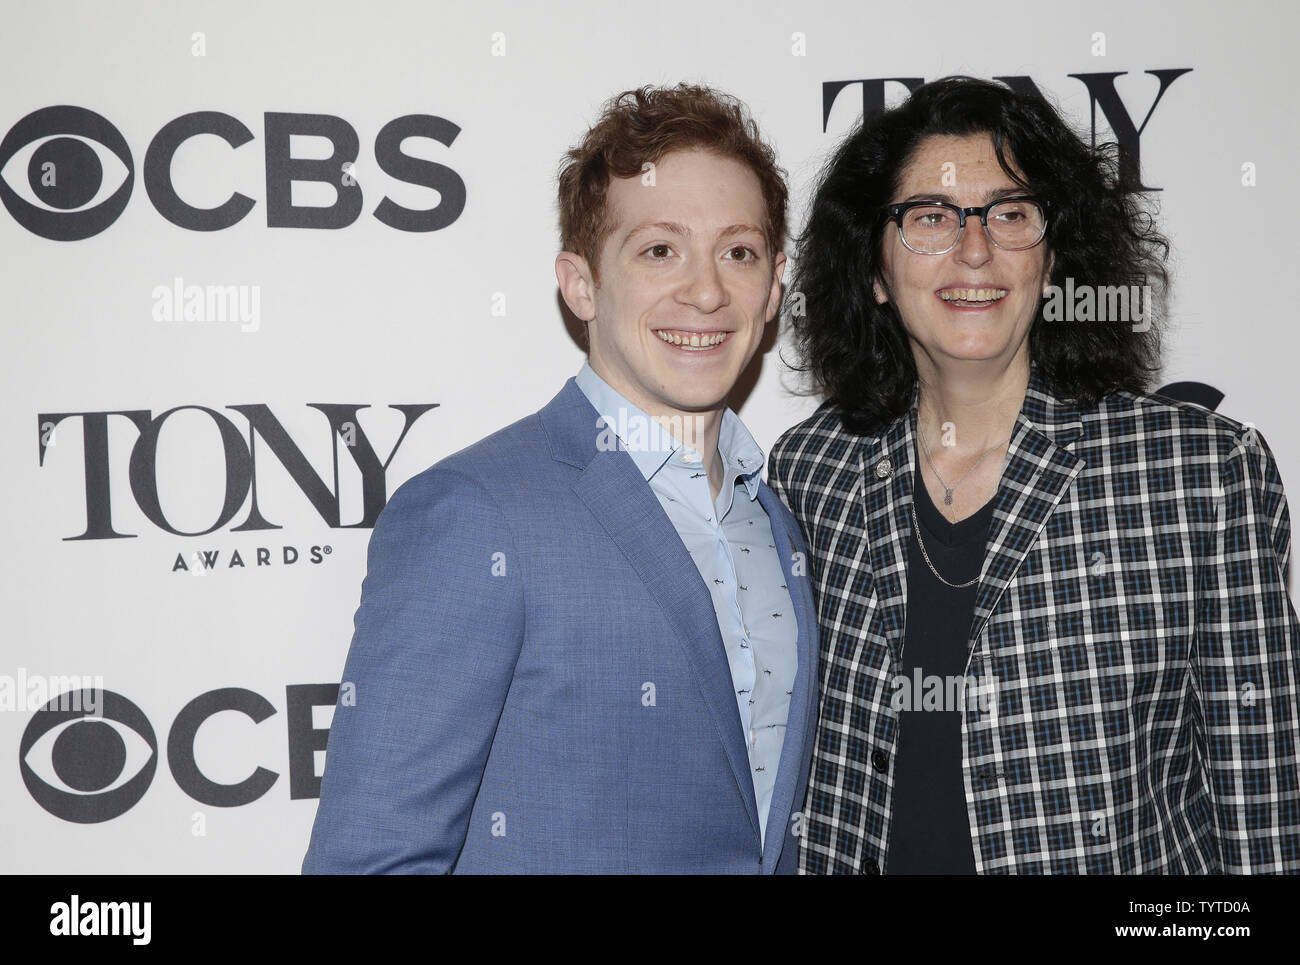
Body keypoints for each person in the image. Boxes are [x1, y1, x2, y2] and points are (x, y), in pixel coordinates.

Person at [770, 76, 1300, 874]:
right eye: (930, 217)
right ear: (874, 271)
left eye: (1010, 214)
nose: (973, 248)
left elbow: (1267, 816)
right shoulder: (809, 472)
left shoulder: (1201, 477)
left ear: (1054, 262)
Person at [302, 83, 818, 874]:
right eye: (659, 250)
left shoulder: (774, 522)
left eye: (738, 252)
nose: (707, 291)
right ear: (581, 283)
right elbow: (372, 861)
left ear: (775, 283)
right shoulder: (477, 513)